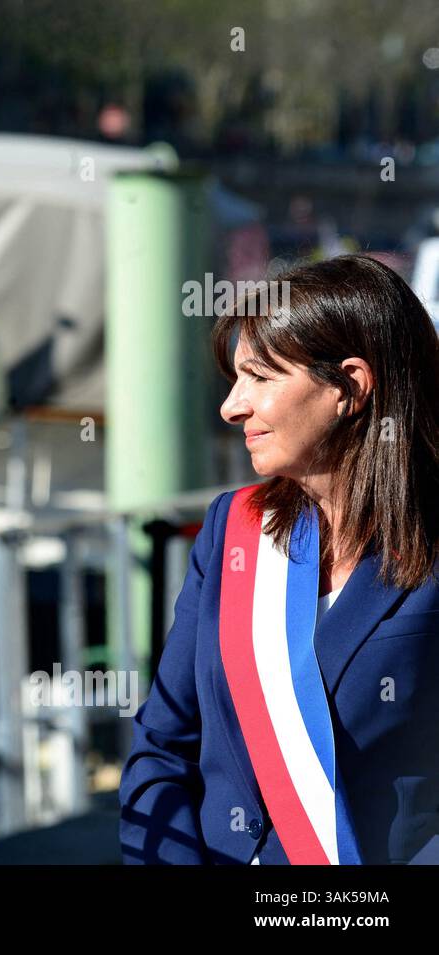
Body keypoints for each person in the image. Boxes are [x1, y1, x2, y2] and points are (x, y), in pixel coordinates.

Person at [120, 254, 439, 864]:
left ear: (349, 387)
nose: (231, 407)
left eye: (260, 378)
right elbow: (163, 747)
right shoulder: (232, 531)